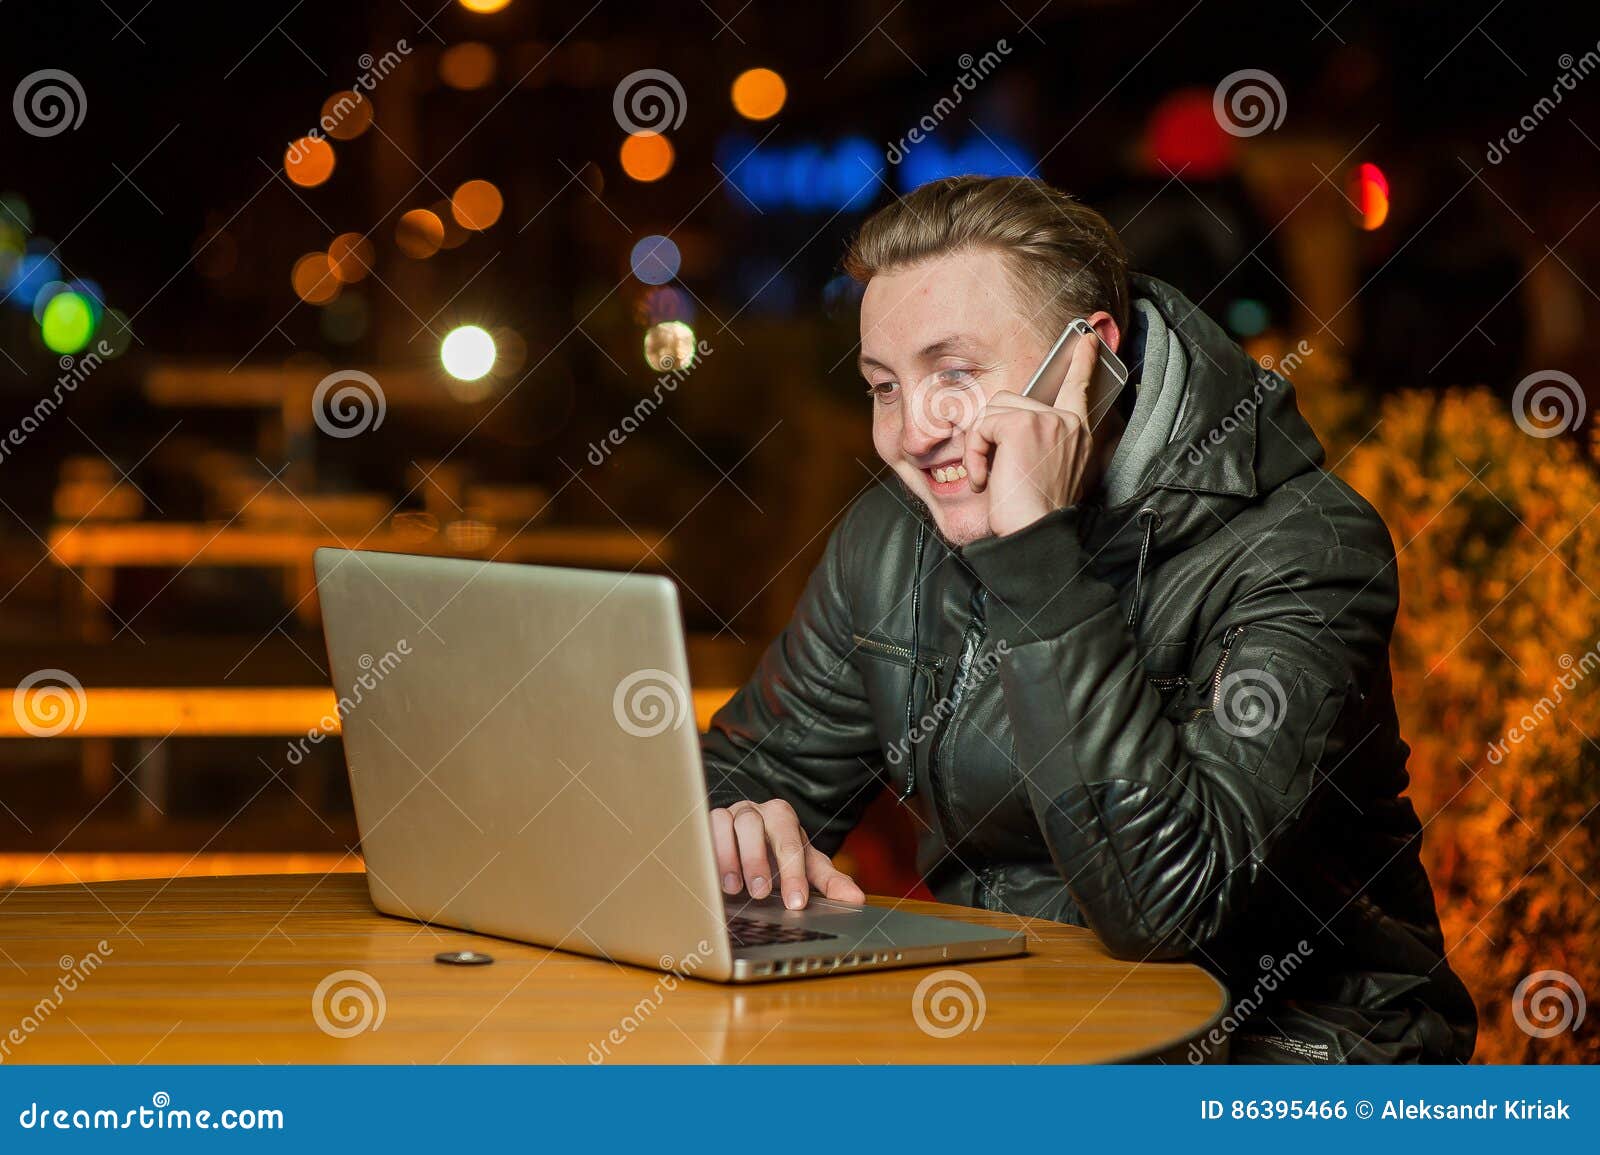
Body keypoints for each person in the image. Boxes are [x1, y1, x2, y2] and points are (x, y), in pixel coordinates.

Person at [699, 175, 1477, 1063]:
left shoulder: (1307, 549)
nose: (913, 432)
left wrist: (1037, 559)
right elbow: (735, 786)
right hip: (1022, 1038)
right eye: (884, 386)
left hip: (1293, 1058)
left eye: (953, 374)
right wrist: (730, 828)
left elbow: (1166, 907)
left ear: (1089, 360)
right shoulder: (890, 541)